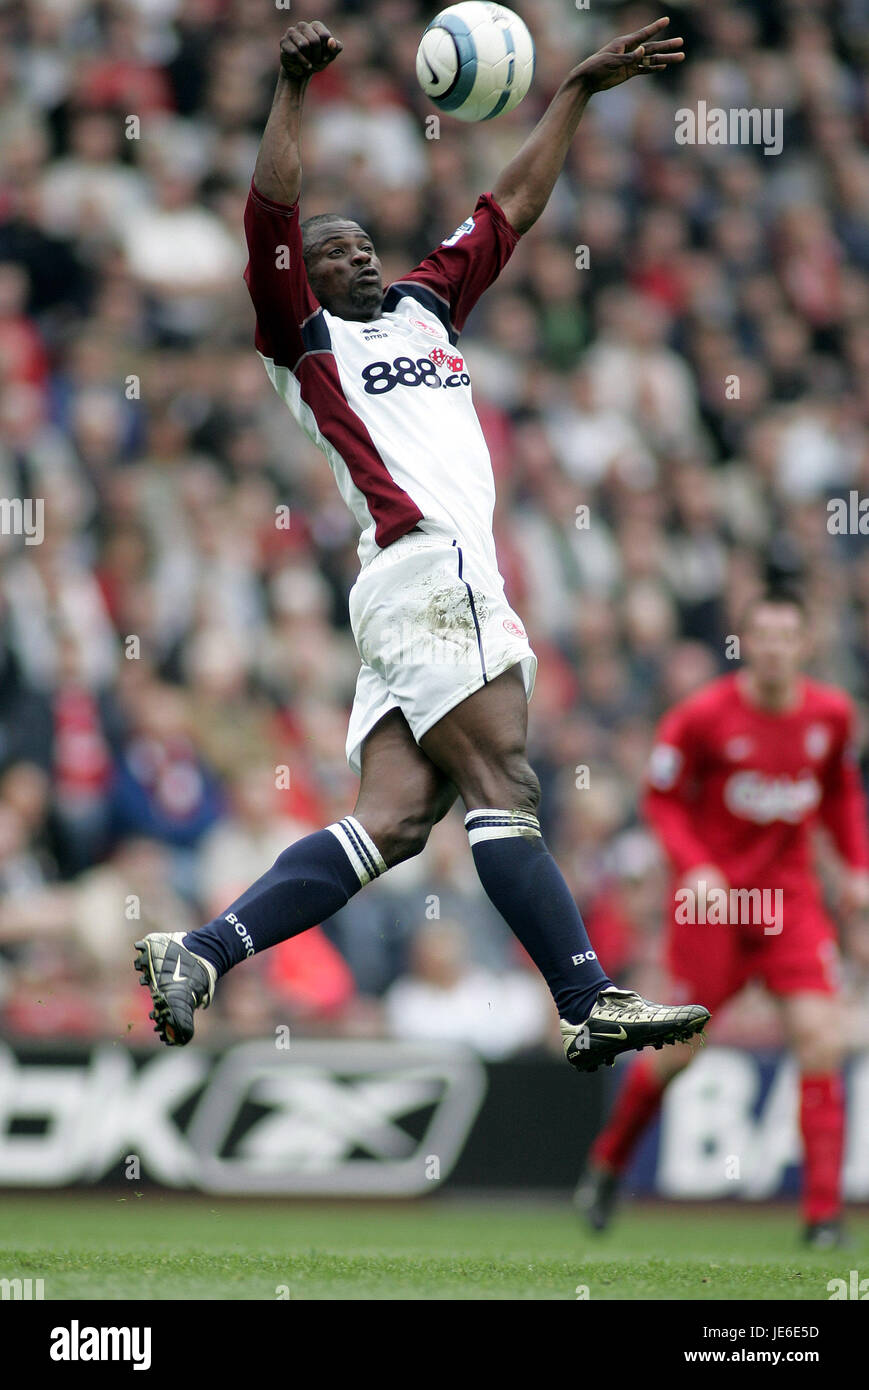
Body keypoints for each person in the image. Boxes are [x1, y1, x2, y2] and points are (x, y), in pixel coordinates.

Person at [135, 17, 709, 1072]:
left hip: (412, 586)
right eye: (331, 251)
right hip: (426, 562)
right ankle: (585, 996)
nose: (355, 255)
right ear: (301, 278)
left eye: (363, 244)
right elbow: (268, 213)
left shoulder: (423, 310)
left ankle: (203, 952)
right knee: (508, 787)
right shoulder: (304, 337)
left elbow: (512, 207)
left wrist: (576, 89)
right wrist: (292, 92)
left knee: (393, 825)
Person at [576, 591, 869, 1247]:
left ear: (804, 644)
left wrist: (854, 865)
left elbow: (840, 794)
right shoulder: (702, 717)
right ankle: (606, 1165)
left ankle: (821, 1217)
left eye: (785, 635)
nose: (772, 647)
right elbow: (661, 800)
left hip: (789, 904)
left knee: (819, 1035)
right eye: (759, 635)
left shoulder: (830, 715)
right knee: (676, 1051)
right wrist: (696, 865)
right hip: (713, 906)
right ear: (742, 644)